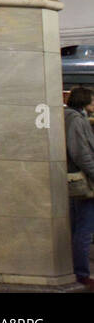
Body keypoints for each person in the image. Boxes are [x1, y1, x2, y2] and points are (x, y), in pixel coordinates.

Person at [64, 86, 94, 289]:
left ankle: (77, 269)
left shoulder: (72, 117)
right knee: (84, 229)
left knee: (78, 227)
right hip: (82, 181)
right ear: (85, 101)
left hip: (76, 179)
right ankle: (81, 273)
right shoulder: (75, 119)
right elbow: (81, 153)